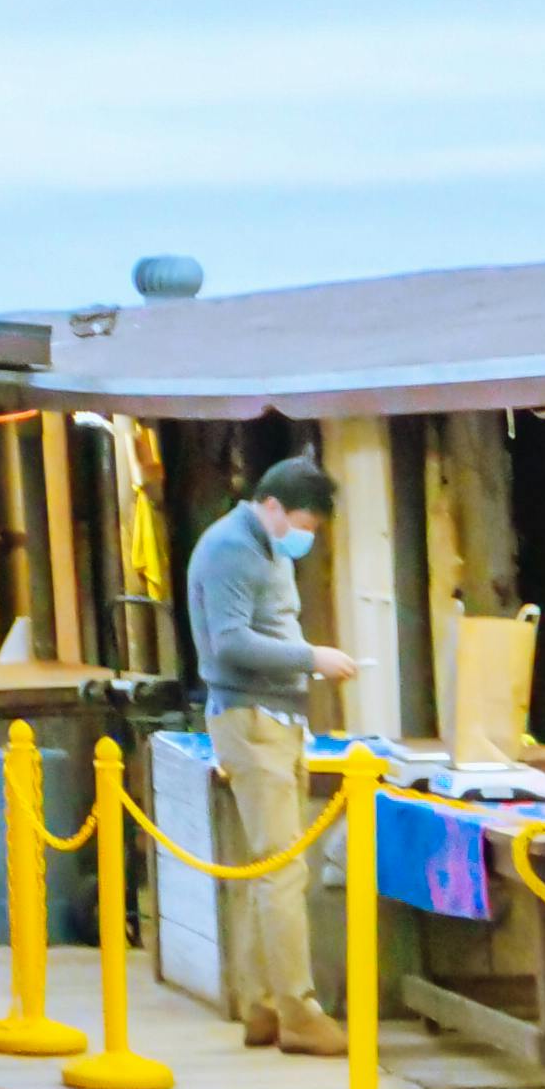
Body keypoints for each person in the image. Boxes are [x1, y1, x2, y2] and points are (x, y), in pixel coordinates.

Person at [182, 450, 349, 1053]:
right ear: (271, 506)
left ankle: (263, 1003)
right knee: (283, 868)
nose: (306, 538)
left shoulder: (261, 546)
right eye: (303, 525)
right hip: (252, 717)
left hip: (273, 717)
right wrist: (312, 658)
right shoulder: (233, 549)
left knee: (268, 866)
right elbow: (229, 643)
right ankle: (298, 1010)